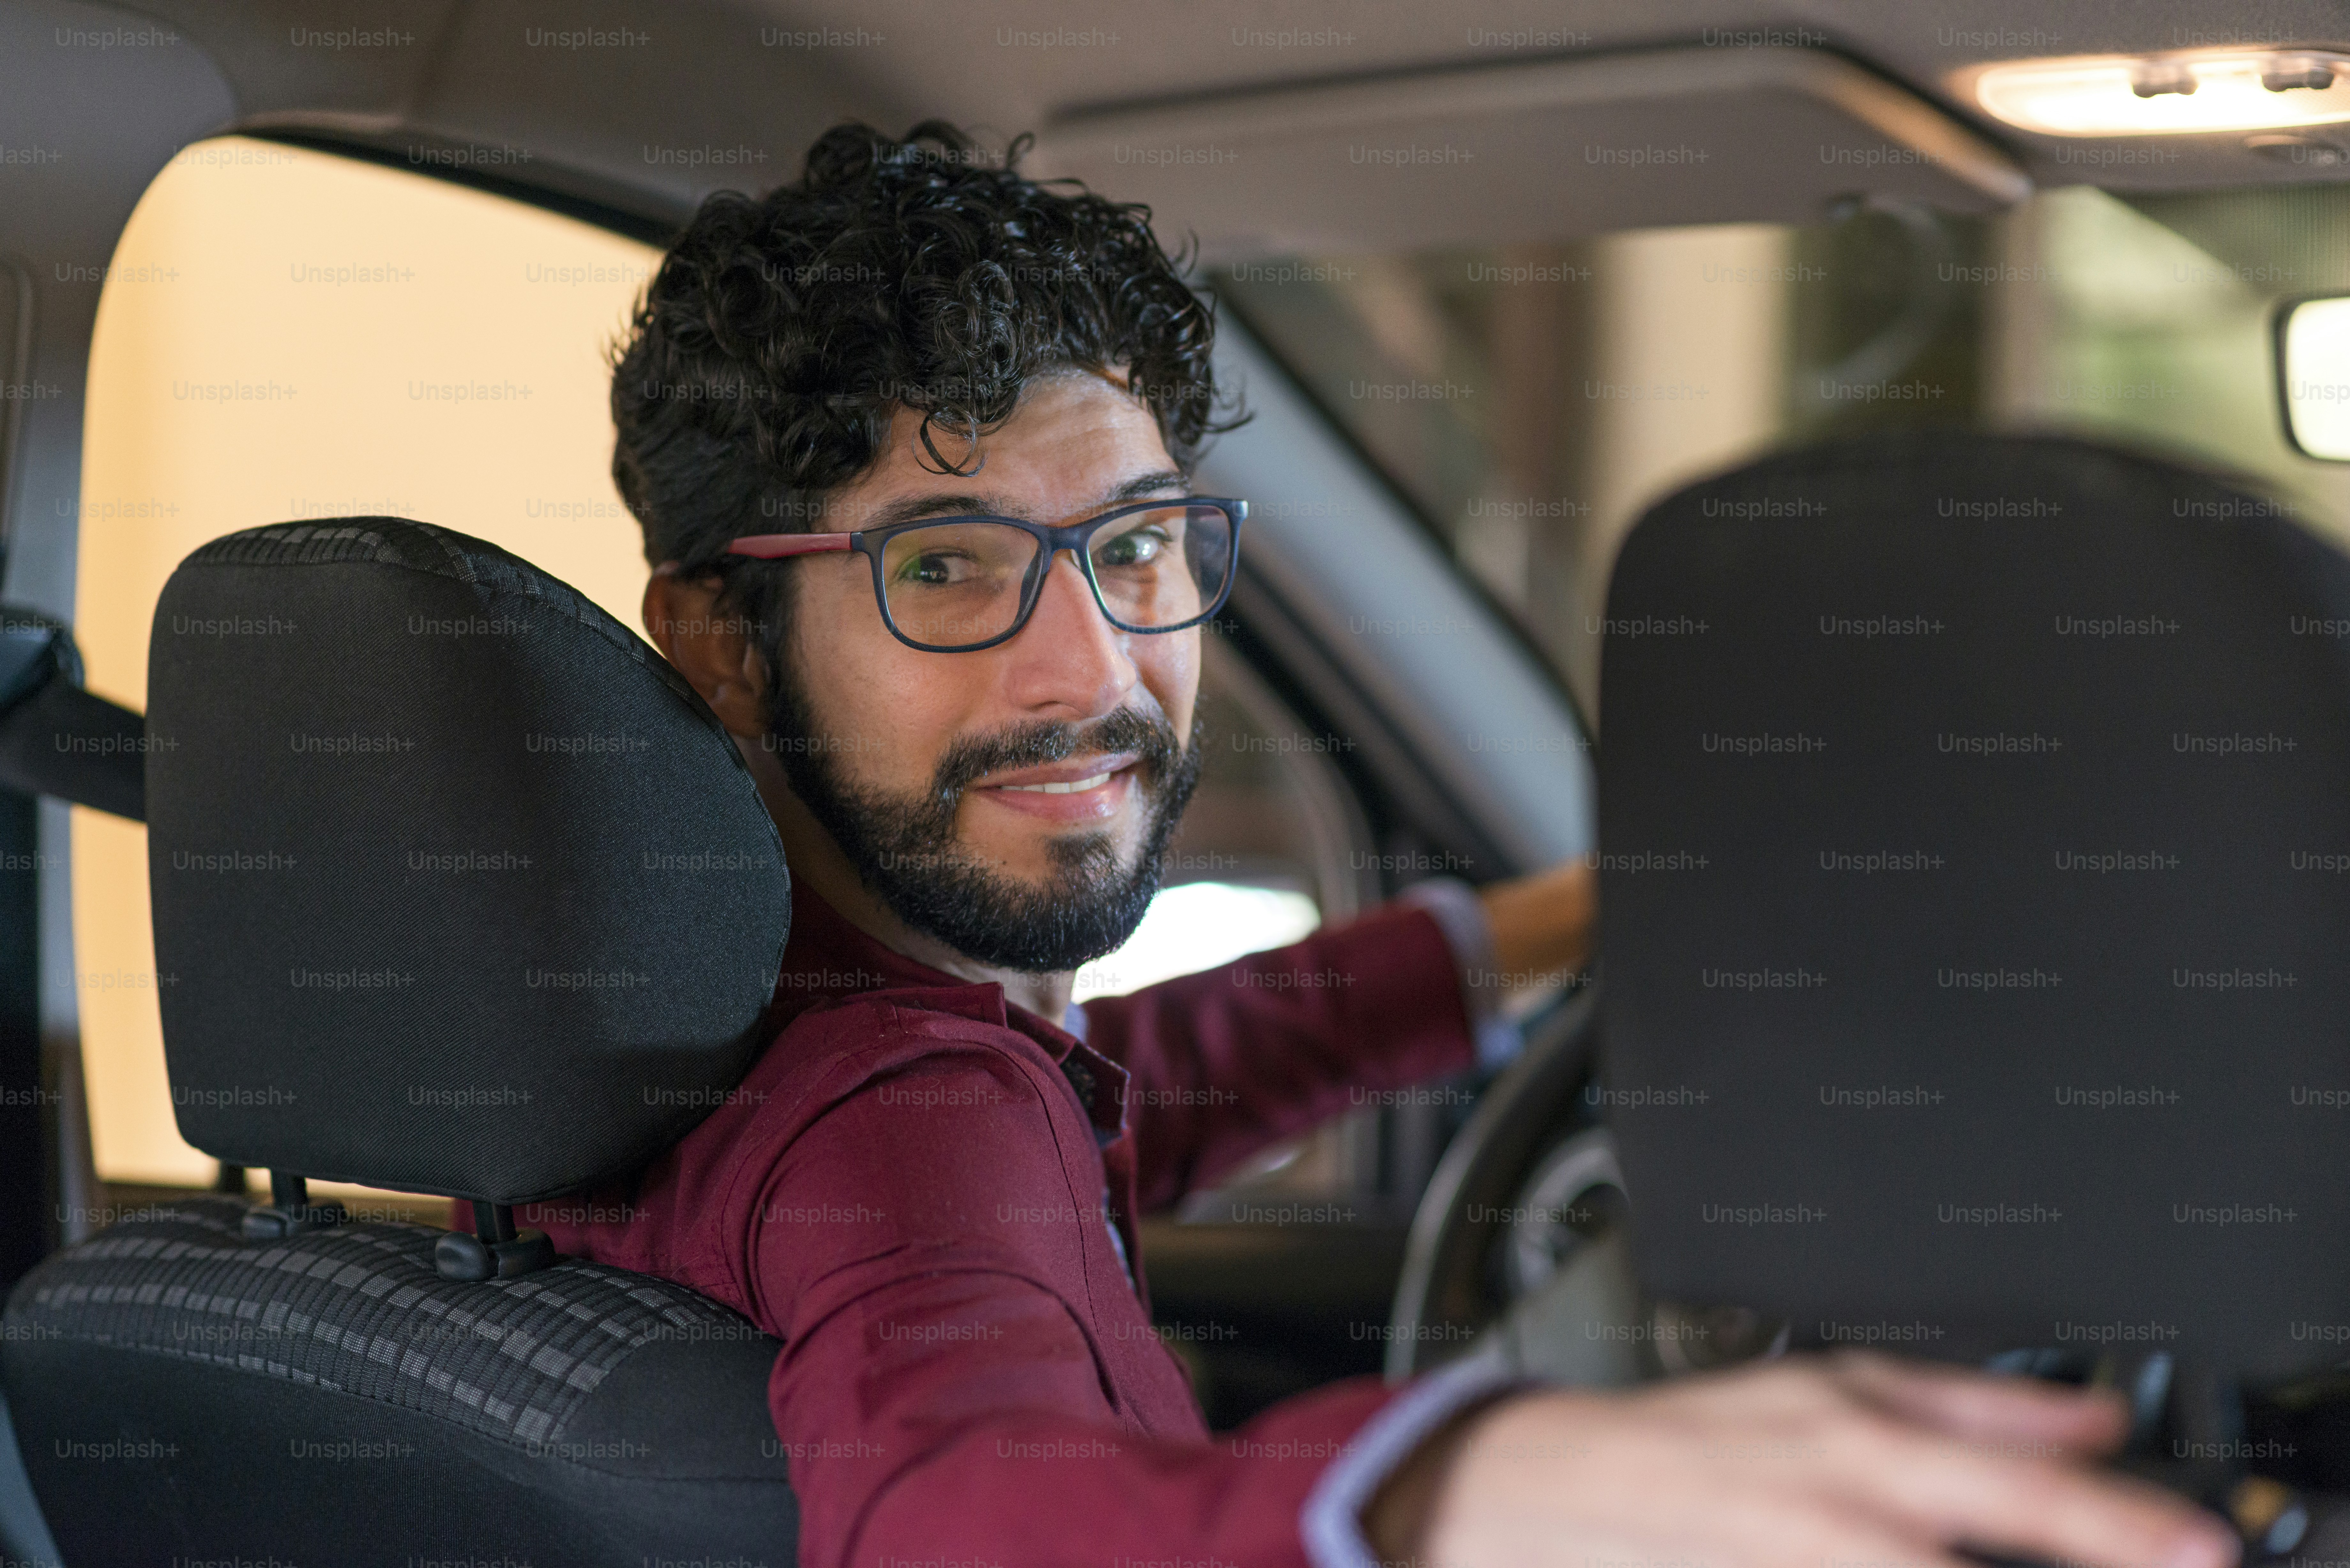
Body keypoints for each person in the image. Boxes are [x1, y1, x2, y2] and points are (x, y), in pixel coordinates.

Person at [519, 120, 2240, 1568]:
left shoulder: (632, 1061)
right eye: (947, 566)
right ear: (724, 643)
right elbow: (958, 1497)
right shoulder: (900, 1116)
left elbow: (1131, 1090)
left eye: (1137, 547)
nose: (1094, 672)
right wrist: (1448, 1483)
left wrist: (1579, 918)